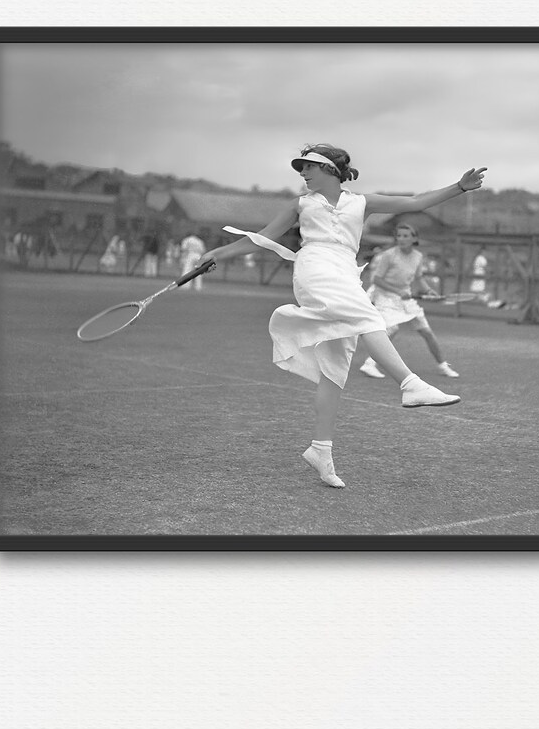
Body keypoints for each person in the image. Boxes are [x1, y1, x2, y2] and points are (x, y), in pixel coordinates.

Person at [199, 144, 487, 489]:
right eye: (301, 169)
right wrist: (221, 252)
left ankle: (320, 449)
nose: (303, 174)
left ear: (330, 171)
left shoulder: (362, 202)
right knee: (366, 314)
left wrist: (459, 187)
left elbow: (415, 202)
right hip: (314, 268)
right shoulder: (299, 204)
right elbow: (262, 239)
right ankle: (410, 384)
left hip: (345, 270)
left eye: (309, 168)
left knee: (336, 365)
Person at [357, 223, 460, 380]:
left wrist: (427, 290)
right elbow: (376, 280)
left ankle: (443, 366)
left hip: (405, 298)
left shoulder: (418, 257)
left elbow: (418, 277)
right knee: (392, 329)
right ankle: (369, 364)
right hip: (383, 296)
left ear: (414, 238)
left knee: (427, 332)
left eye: (406, 236)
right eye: (399, 236)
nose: (401, 239)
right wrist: (398, 291)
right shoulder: (389, 255)